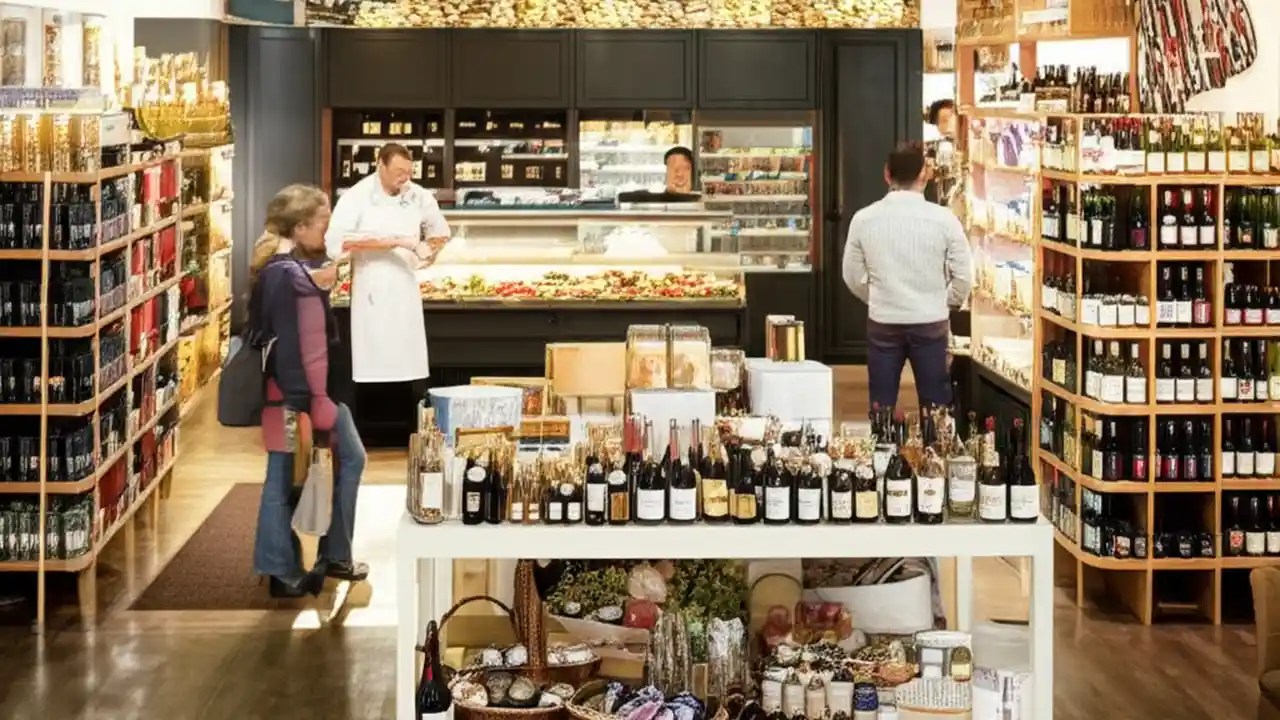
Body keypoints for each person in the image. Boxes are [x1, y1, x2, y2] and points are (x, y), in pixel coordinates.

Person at [250, 184, 369, 598]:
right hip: (297, 398)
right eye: (322, 222)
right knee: (287, 476)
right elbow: (301, 346)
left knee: (289, 475)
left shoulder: (282, 271)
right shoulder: (287, 278)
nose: (327, 230)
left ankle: (310, 561)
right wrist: (311, 403)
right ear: (299, 227)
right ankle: (292, 566)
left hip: (292, 396)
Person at [841, 142, 972, 410]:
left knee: (881, 403)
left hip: (884, 320)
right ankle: (934, 448)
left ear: (886, 174)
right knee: (936, 404)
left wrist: (878, 295)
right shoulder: (944, 219)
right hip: (931, 321)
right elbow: (963, 276)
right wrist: (944, 301)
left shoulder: (864, 219)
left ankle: (881, 449)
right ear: (924, 175)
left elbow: (852, 275)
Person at [325, 143, 450, 398]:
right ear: (380, 165)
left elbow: (440, 232)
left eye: (408, 171)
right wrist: (393, 241)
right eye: (398, 172)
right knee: (372, 363)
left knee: (409, 362)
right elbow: (336, 243)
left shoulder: (417, 195)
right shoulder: (357, 197)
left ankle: (409, 418)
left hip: (405, 286)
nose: (404, 178)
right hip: (371, 289)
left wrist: (430, 250)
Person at [617, 146, 699, 203]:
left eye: (685, 168)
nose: (680, 174)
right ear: (665, 173)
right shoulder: (652, 201)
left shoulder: (702, 202)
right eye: (674, 169)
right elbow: (623, 198)